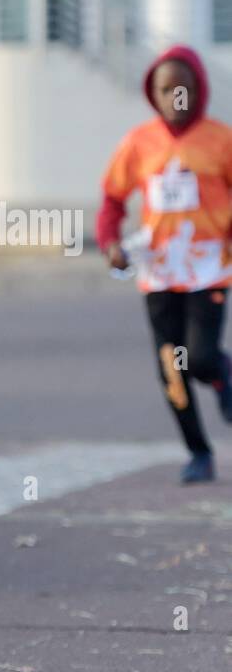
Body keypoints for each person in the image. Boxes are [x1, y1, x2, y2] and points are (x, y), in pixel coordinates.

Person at [97, 45, 232, 483]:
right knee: (171, 370)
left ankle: (220, 373)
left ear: (199, 90)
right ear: (152, 93)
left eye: (184, 89)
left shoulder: (221, 140)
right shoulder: (138, 143)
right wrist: (111, 242)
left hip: (208, 269)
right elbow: (112, 201)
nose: (175, 98)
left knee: (202, 358)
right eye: (165, 89)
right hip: (158, 274)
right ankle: (199, 453)